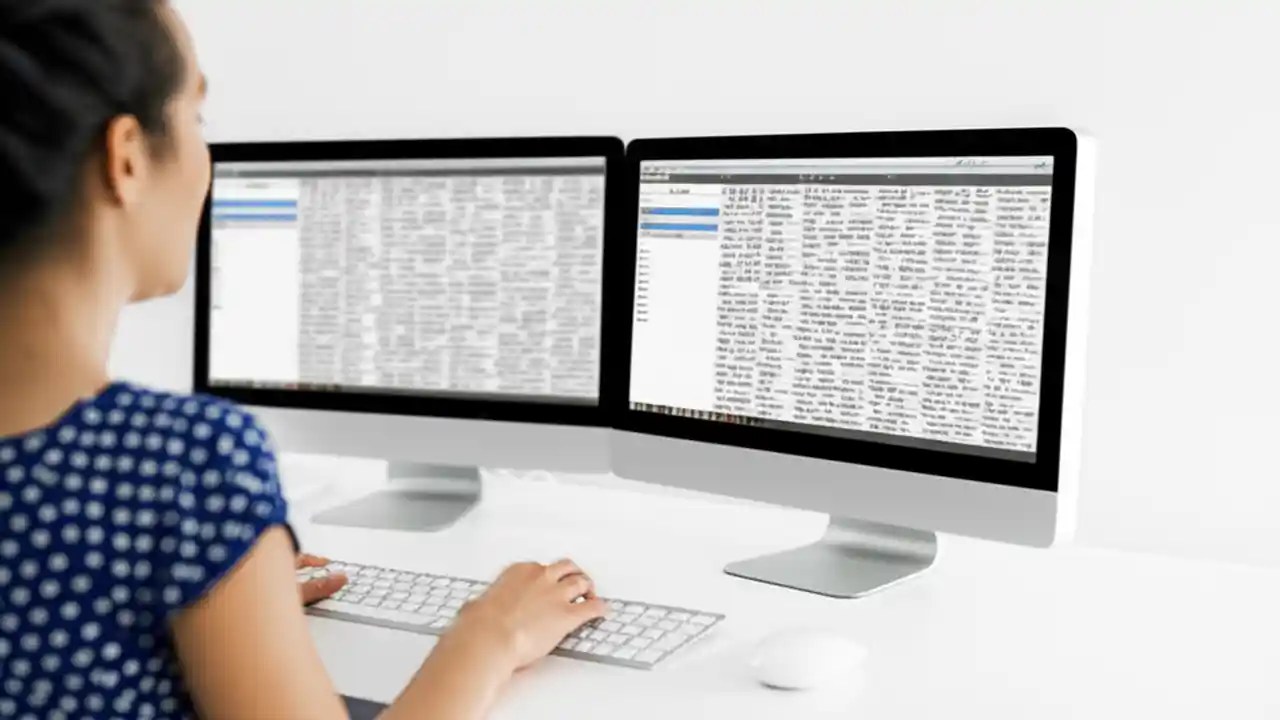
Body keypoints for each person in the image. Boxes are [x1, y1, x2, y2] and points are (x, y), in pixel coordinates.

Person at [0, 1, 606, 718]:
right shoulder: (181, 465)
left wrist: (228, 590)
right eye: (196, 118)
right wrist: (489, 633)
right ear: (125, 156)